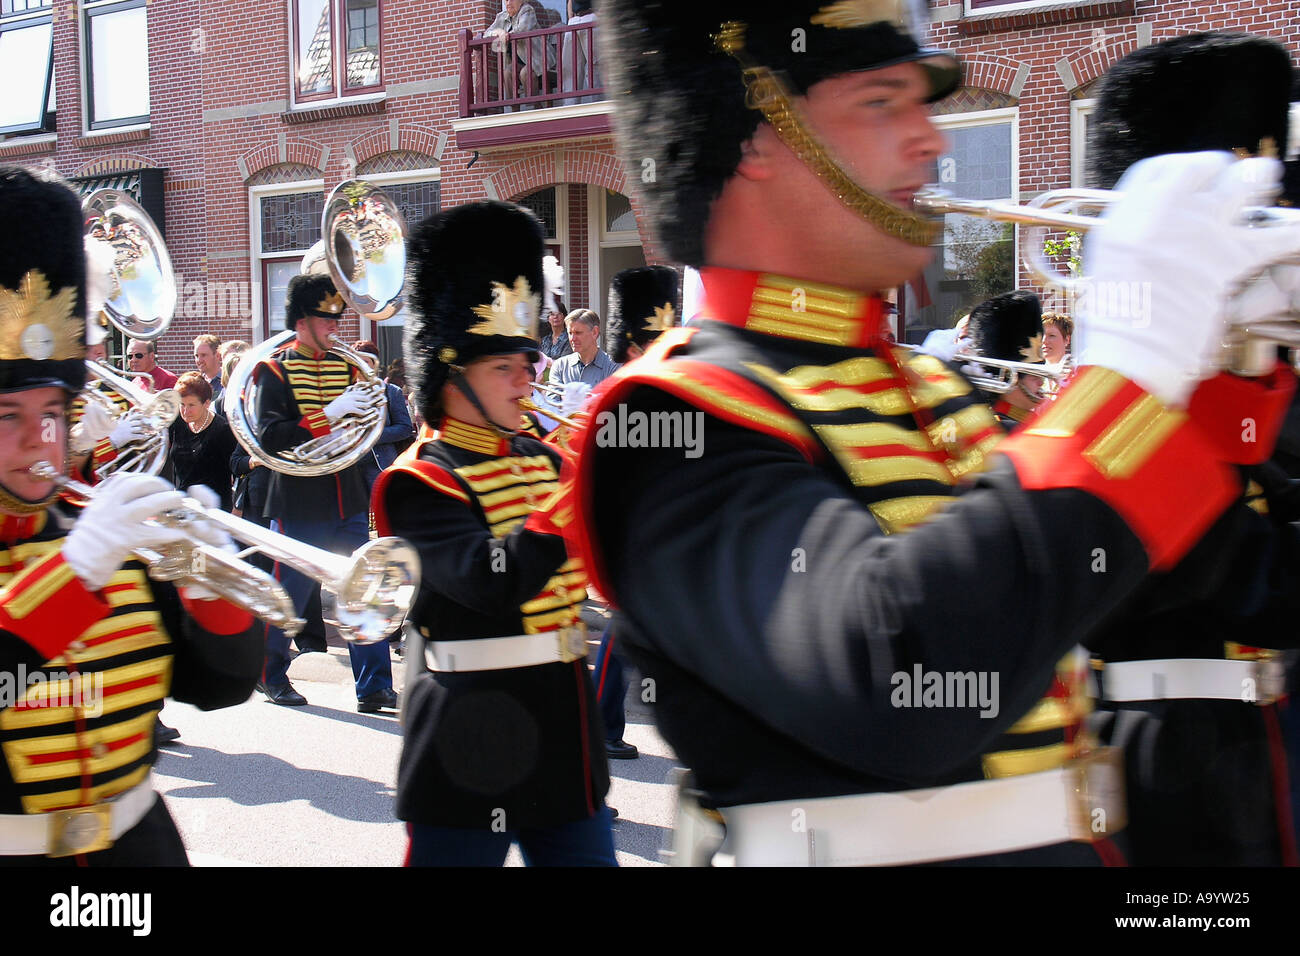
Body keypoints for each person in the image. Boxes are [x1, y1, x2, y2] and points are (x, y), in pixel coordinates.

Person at [568, 2, 1299, 866]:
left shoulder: (935, 387)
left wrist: (1226, 365)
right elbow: (897, 688)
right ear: (756, 135)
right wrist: (1131, 370)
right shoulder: (666, 420)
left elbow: (1128, 577)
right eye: (883, 104)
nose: (933, 143)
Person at [1081, 30, 1300, 866]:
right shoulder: (1104, 406)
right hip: (1170, 760)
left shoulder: (1269, 395)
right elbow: (1229, 580)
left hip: (1274, 748)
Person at [0, 164, 261, 865]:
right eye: (8, 416)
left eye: (53, 412)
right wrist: (75, 573)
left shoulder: (94, 527)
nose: (38, 440)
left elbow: (221, 686)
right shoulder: (89, 547)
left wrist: (214, 584)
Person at [372, 199, 614, 866]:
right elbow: (491, 582)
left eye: (527, 364)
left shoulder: (545, 457)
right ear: (452, 377)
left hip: (567, 734)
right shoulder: (419, 479)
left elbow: (603, 570)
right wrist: (578, 490)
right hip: (468, 740)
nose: (526, 381)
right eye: (503, 367)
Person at [250, 274, 396, 710]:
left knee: (363, 587)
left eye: (337, 318)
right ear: (301, 321)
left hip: (346, 491)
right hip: (298, 496)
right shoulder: (272, 370)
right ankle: (269, 672)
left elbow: (365, 427)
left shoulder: (350, 366)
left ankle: (373, 684)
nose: (336, 327)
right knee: (290, 594)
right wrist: (329, 413)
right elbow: (271, 436)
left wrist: (364, 410)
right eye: (326, 319)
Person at [589, 264, 681, 760]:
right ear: (631, 348)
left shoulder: (663, 389)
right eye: (658, 346)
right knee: (622, 634)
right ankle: (600, 725)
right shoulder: (620, 395)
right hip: (632, 534)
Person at [962, 290, 1047, 427]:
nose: (1041, 382)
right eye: (1033, 374)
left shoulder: (1029, 422)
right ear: (1009, 376)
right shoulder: (1000, 428)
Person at [168, 371, 237, 512]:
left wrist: (237, 508)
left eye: (191, 405)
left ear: (206, 403)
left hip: (214, 509)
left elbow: (235, 470)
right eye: (182, 404)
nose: (185, 411)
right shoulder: (176, 423)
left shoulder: (222, 430)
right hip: (183, 507)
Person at [352, 340, 416, 492]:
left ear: (375, 364)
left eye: (365, 361)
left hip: (379, 466)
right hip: (351, 469)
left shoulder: (391, 391)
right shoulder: (345, 393)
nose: (360, 366)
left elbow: (405, 428)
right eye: (356, 361)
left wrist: (372, 435)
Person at [484, 0, 555, 107]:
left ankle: (535, 108)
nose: (508, 3)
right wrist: (499, 32)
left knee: (525, 73)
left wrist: (506, 35)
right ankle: (513, 109)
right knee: (507, 72)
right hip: (521, 61)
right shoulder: (502, 16)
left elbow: (522, 30)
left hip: (539, 58)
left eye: (512, 0)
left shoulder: (527, 10)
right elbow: (486, 34)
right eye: (506, 0)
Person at [550, 309, 617, 387]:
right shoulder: (560, 366)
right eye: (570, 333)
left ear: (595, 332)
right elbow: (552, 398)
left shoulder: (613, 367)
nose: (572, 338)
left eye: (578, 333)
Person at [193, 333, 224, 407]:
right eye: (196, 356)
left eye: (203, 355)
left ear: (217, 355)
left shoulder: (228, 381)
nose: (199, 360)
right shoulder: (195, 384)